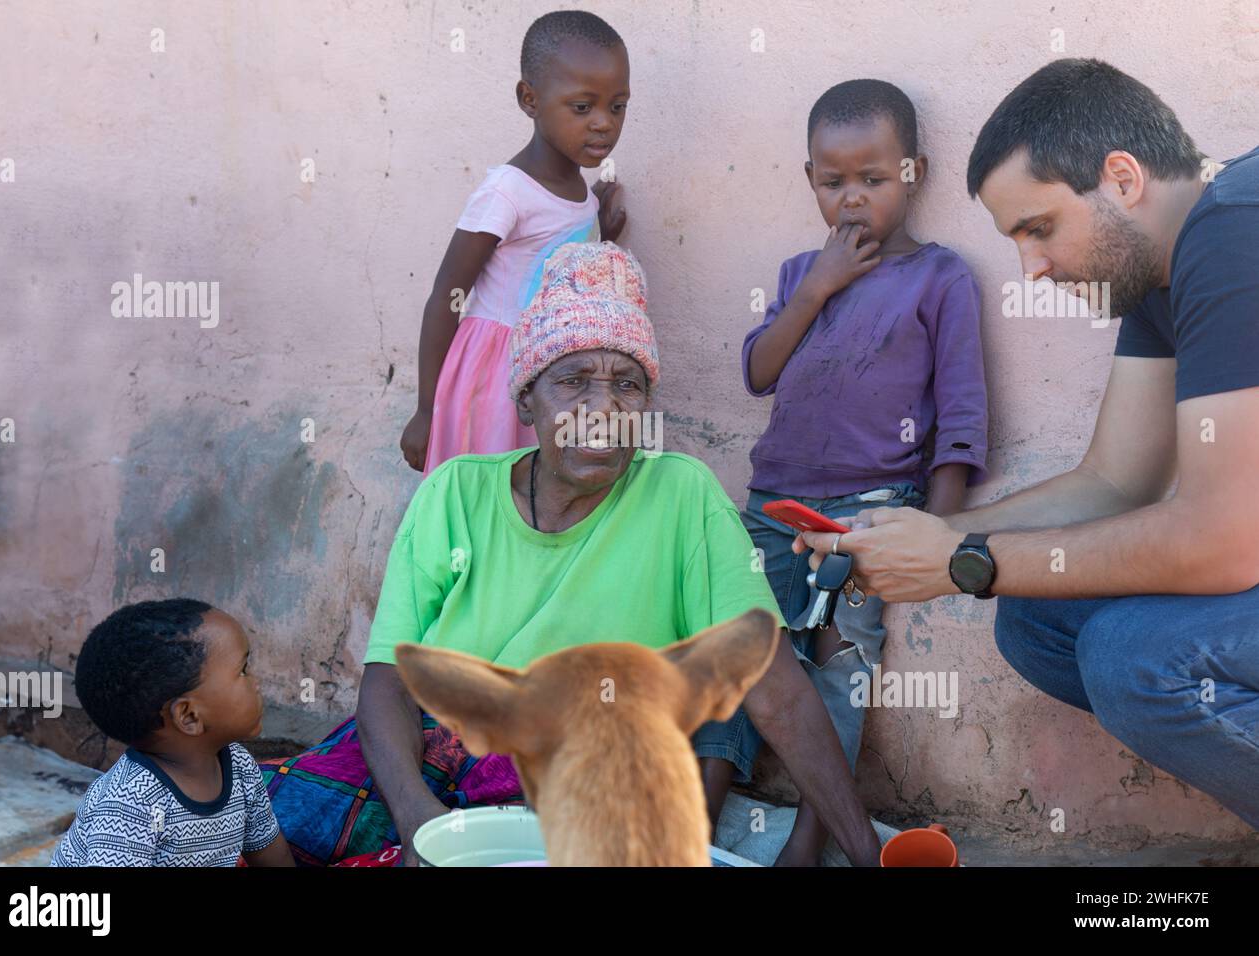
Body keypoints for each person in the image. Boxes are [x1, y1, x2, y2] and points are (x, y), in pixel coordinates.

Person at [266, 241, 885, 866]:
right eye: (572, 381)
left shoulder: (681, 495)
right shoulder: (454, 492)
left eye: (627, 384)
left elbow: (775, 691)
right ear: (526, 400)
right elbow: (388, 681)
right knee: (270, 827)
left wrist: (866, 856)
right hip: (432, 746)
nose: (602, 409)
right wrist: (420, 821)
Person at [798, 58, 1259, 829]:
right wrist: (935, 536)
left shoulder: (1236, 236)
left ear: (1121, 178)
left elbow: (1222, 544)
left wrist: (963, 565)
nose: (1031, 267)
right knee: (1040, 620)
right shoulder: (1161, 260)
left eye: (1039, 228)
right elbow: (1116, 480)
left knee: (1131, 659)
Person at [693, 79, 988, 866]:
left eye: (874, 179)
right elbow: (758, 370)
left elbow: (960, 415)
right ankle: (700, 809)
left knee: (842, 653)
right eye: (834, 183)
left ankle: (813, 835)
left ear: (914, 174)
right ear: (810, 182)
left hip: (872, 510)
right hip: (773, 504)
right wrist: (821, 285)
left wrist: (940, 526)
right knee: (739, 642)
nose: (852, 199)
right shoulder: (799, 273)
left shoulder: (940, 277)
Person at [399, 9, 630, 474]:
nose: (603, 123)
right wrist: (428, 409)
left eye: (617, 106)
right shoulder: (506, 191)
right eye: (583, 107)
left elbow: (555, 265)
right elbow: (447, 296)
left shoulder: (581, 195)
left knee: (536, 490)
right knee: (490, 488)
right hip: (496, 374)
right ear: (530, 99)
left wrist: (599, 230)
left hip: (551, 371)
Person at [52, 599, 294, 866]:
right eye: (243, 670)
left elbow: (273, 856)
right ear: (189, 716)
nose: (257, 683)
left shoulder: (240, 767)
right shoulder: (131, 806)